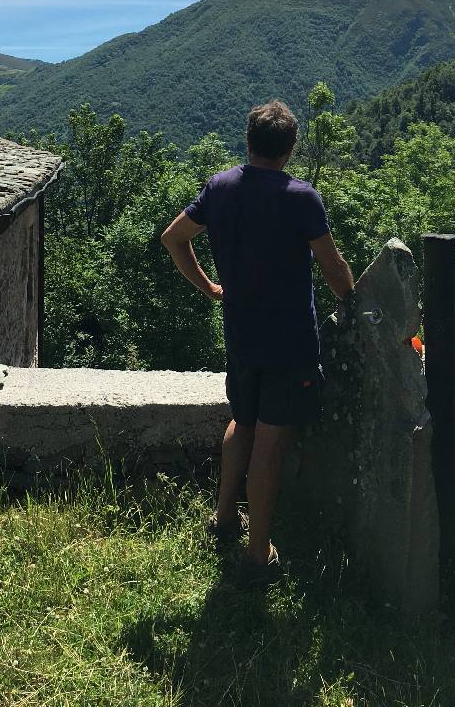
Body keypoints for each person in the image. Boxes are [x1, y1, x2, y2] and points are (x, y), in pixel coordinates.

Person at [161, 99, 354, 579]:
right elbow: (332, 267)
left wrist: (208, 287)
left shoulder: (221, 187)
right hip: (289, 343)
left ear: (248, 142)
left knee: (240, 423)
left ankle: (224, 519)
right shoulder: (301, 197)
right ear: (290, 149)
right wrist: (354, 301)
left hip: (241, 336)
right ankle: (257, 555)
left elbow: (173, 237)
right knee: (270, 443)